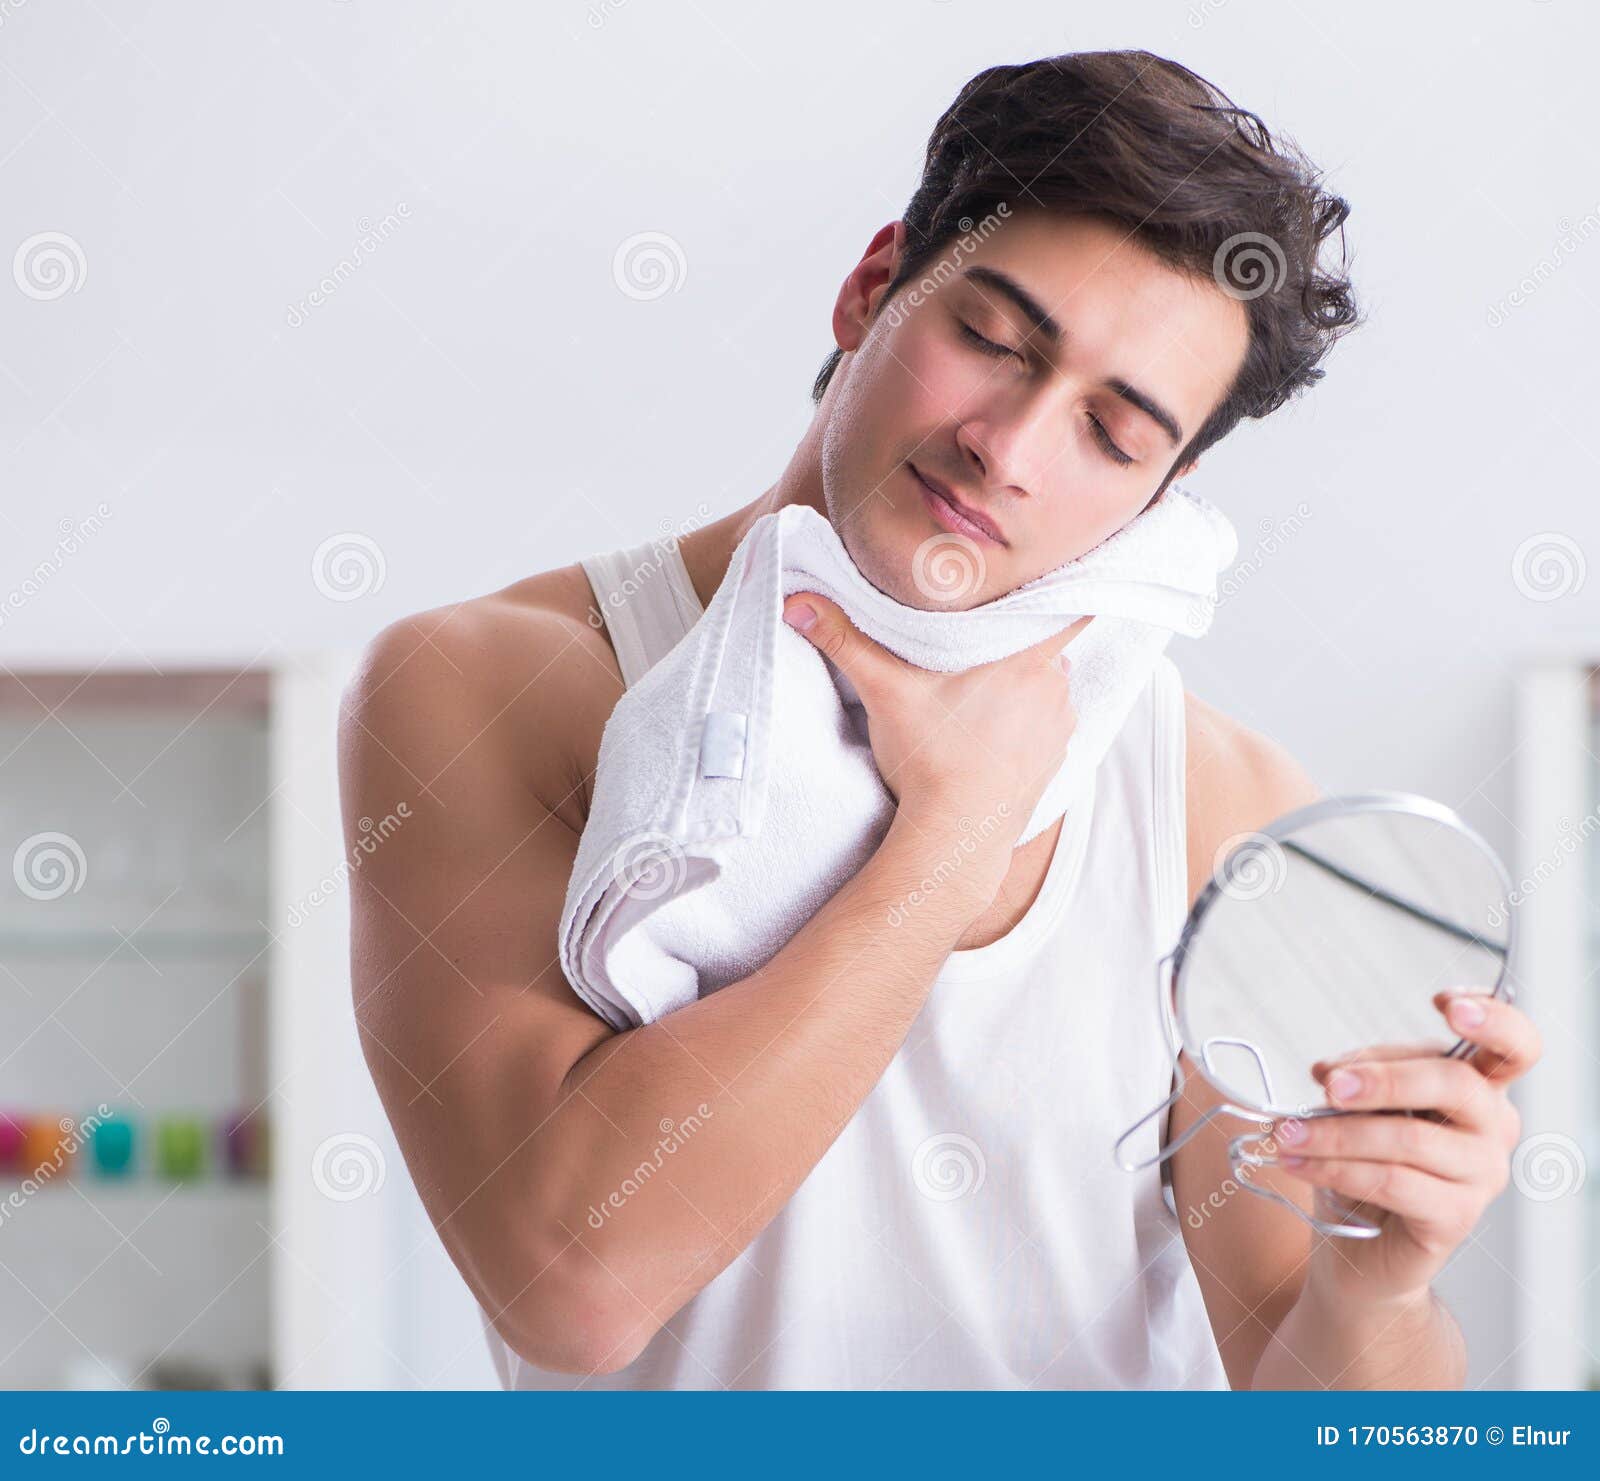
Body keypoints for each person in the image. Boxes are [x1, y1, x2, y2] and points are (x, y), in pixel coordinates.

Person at [337, 49, 1539, 1389]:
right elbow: (569, 1285)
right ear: (873, 287)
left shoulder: (1211, 796)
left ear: (1166, 492)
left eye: (1113, 430)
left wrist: (1380, 1280)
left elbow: (1299, 1400)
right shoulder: (496, 682)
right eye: (991, 340)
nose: (1008, 447)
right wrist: (952, 839)